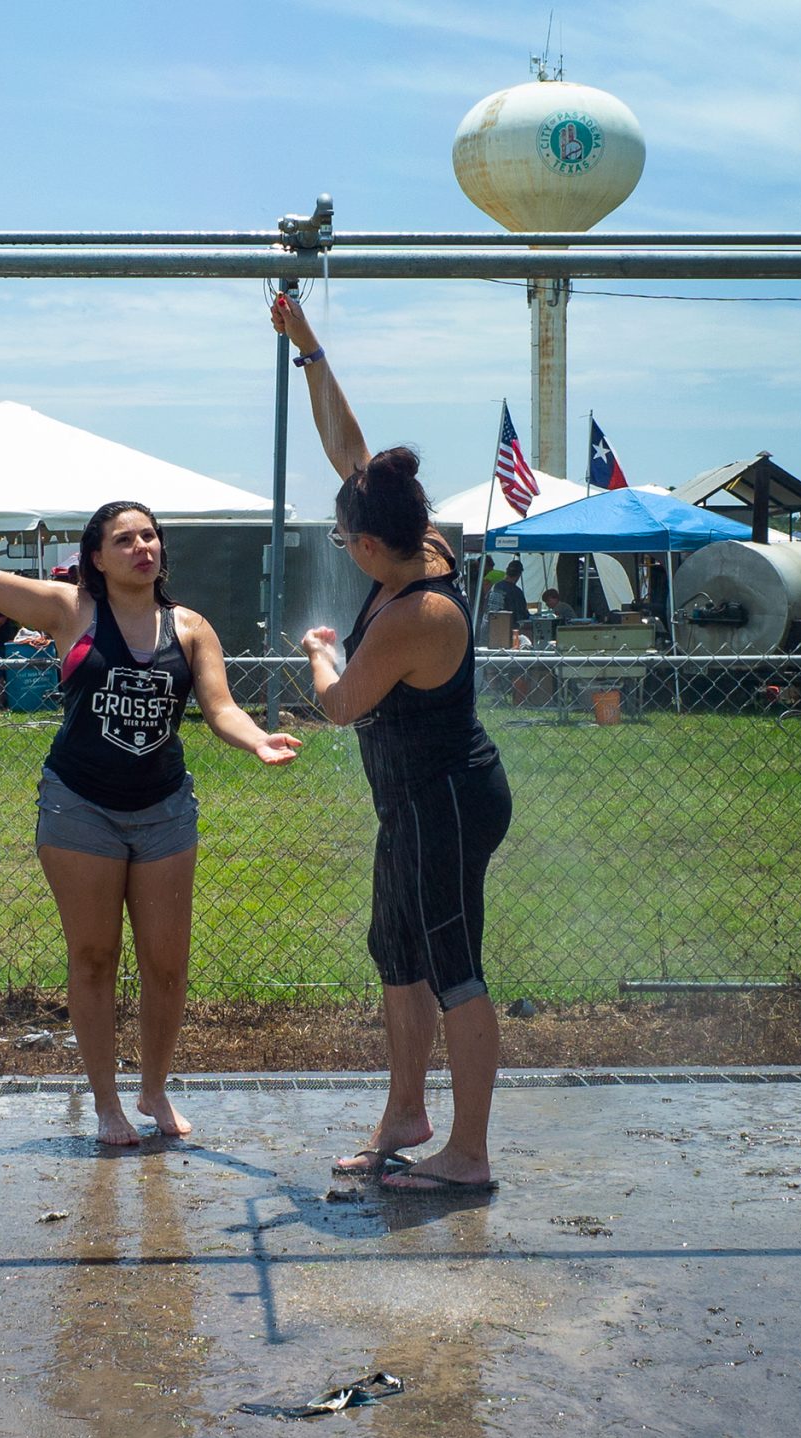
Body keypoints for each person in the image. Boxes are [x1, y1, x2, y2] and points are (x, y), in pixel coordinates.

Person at [0, 496, 301, 1145]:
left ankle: (154, 1092)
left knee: (166, 964)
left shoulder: (189, 627)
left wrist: (256, 740)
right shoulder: (69, 609)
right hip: (79, 807)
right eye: (125, 539)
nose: (142, 548)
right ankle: (107, 1105)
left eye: (150, 536)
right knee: (95, 957)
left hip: (163, 812)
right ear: (96, 557)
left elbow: (220, 707)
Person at [274, 291, 514, 1195]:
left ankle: (470, 1153)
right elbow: (351, 454)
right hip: (411, 805)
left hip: (448, 802)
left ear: (375, 546)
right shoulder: (421, 539)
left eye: (345, 539)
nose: (341, 546)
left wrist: (321, 653)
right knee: (398, 954)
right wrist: (310, 351)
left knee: (453, 966)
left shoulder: (417, 614)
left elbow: (340, 710)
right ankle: (406, 1114)